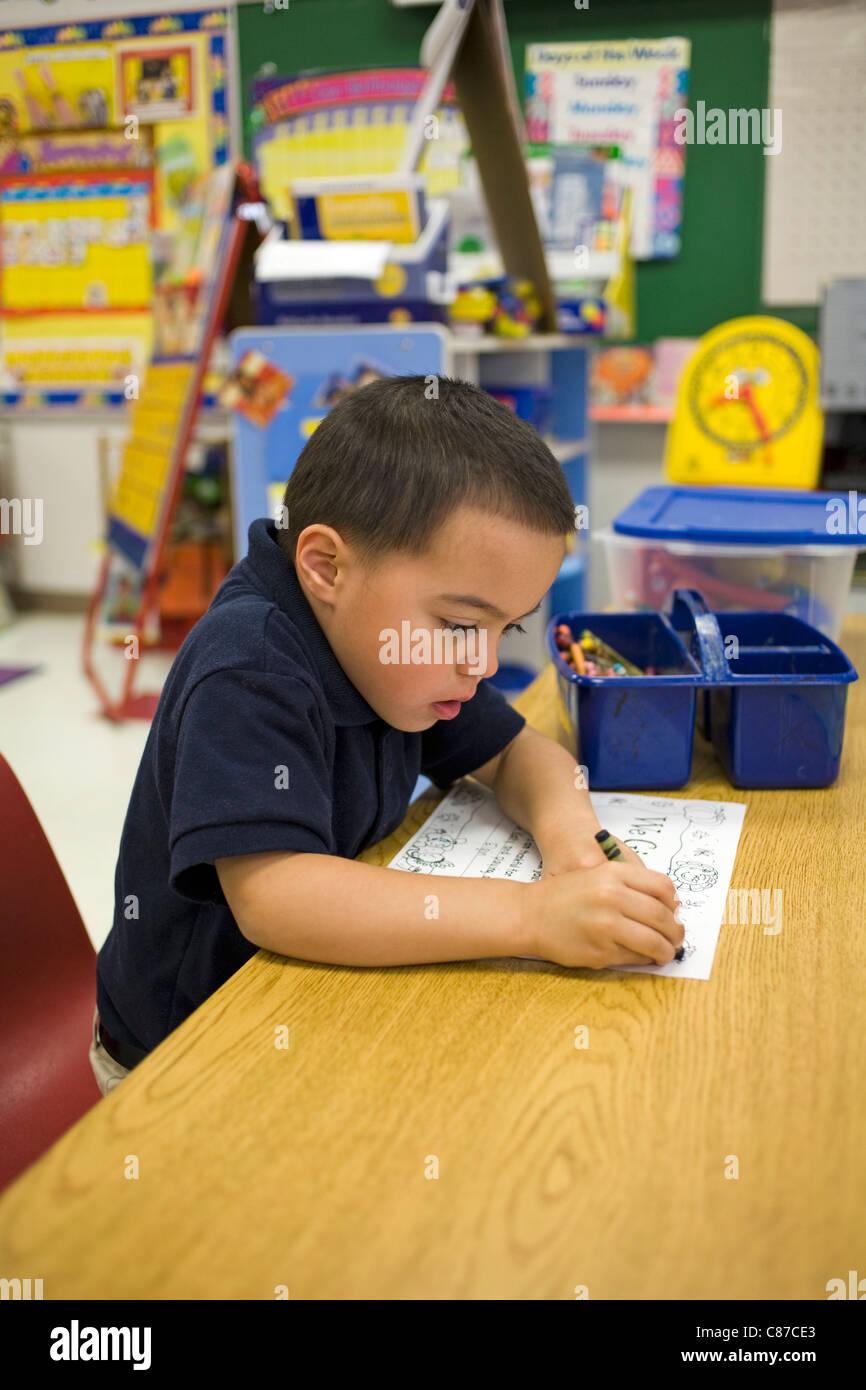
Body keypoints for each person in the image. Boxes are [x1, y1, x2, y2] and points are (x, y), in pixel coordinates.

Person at [91, 375, 682, 1095]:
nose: (484, 663)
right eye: (463, 624)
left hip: (307, 1005)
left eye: (509, 627)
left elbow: (522, 754)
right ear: (325, 567)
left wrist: (575, 848)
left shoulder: (396, 651)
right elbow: (280, 897)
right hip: (183, 1055)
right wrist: (534, 917)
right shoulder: (250, 664)